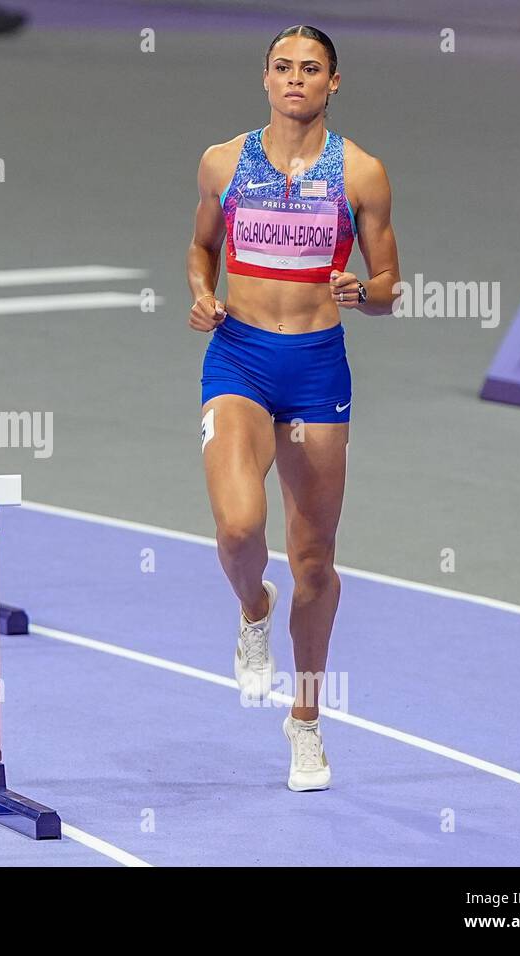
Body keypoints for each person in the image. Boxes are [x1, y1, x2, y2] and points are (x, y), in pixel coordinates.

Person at [187, 25, 401, 791]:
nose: (295, 79)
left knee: (315, 562)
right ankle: (252, 610)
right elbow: (200, 247)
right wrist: (203, 295)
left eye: (310, 68)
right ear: (266, 77)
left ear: (333, 82)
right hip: (239, 358)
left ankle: (306, 725)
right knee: (240, 527)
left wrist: (363, 292)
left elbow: (388, 288)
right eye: (282, 67)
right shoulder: (223, 161)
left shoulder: (362, 173)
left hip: (316, 371)